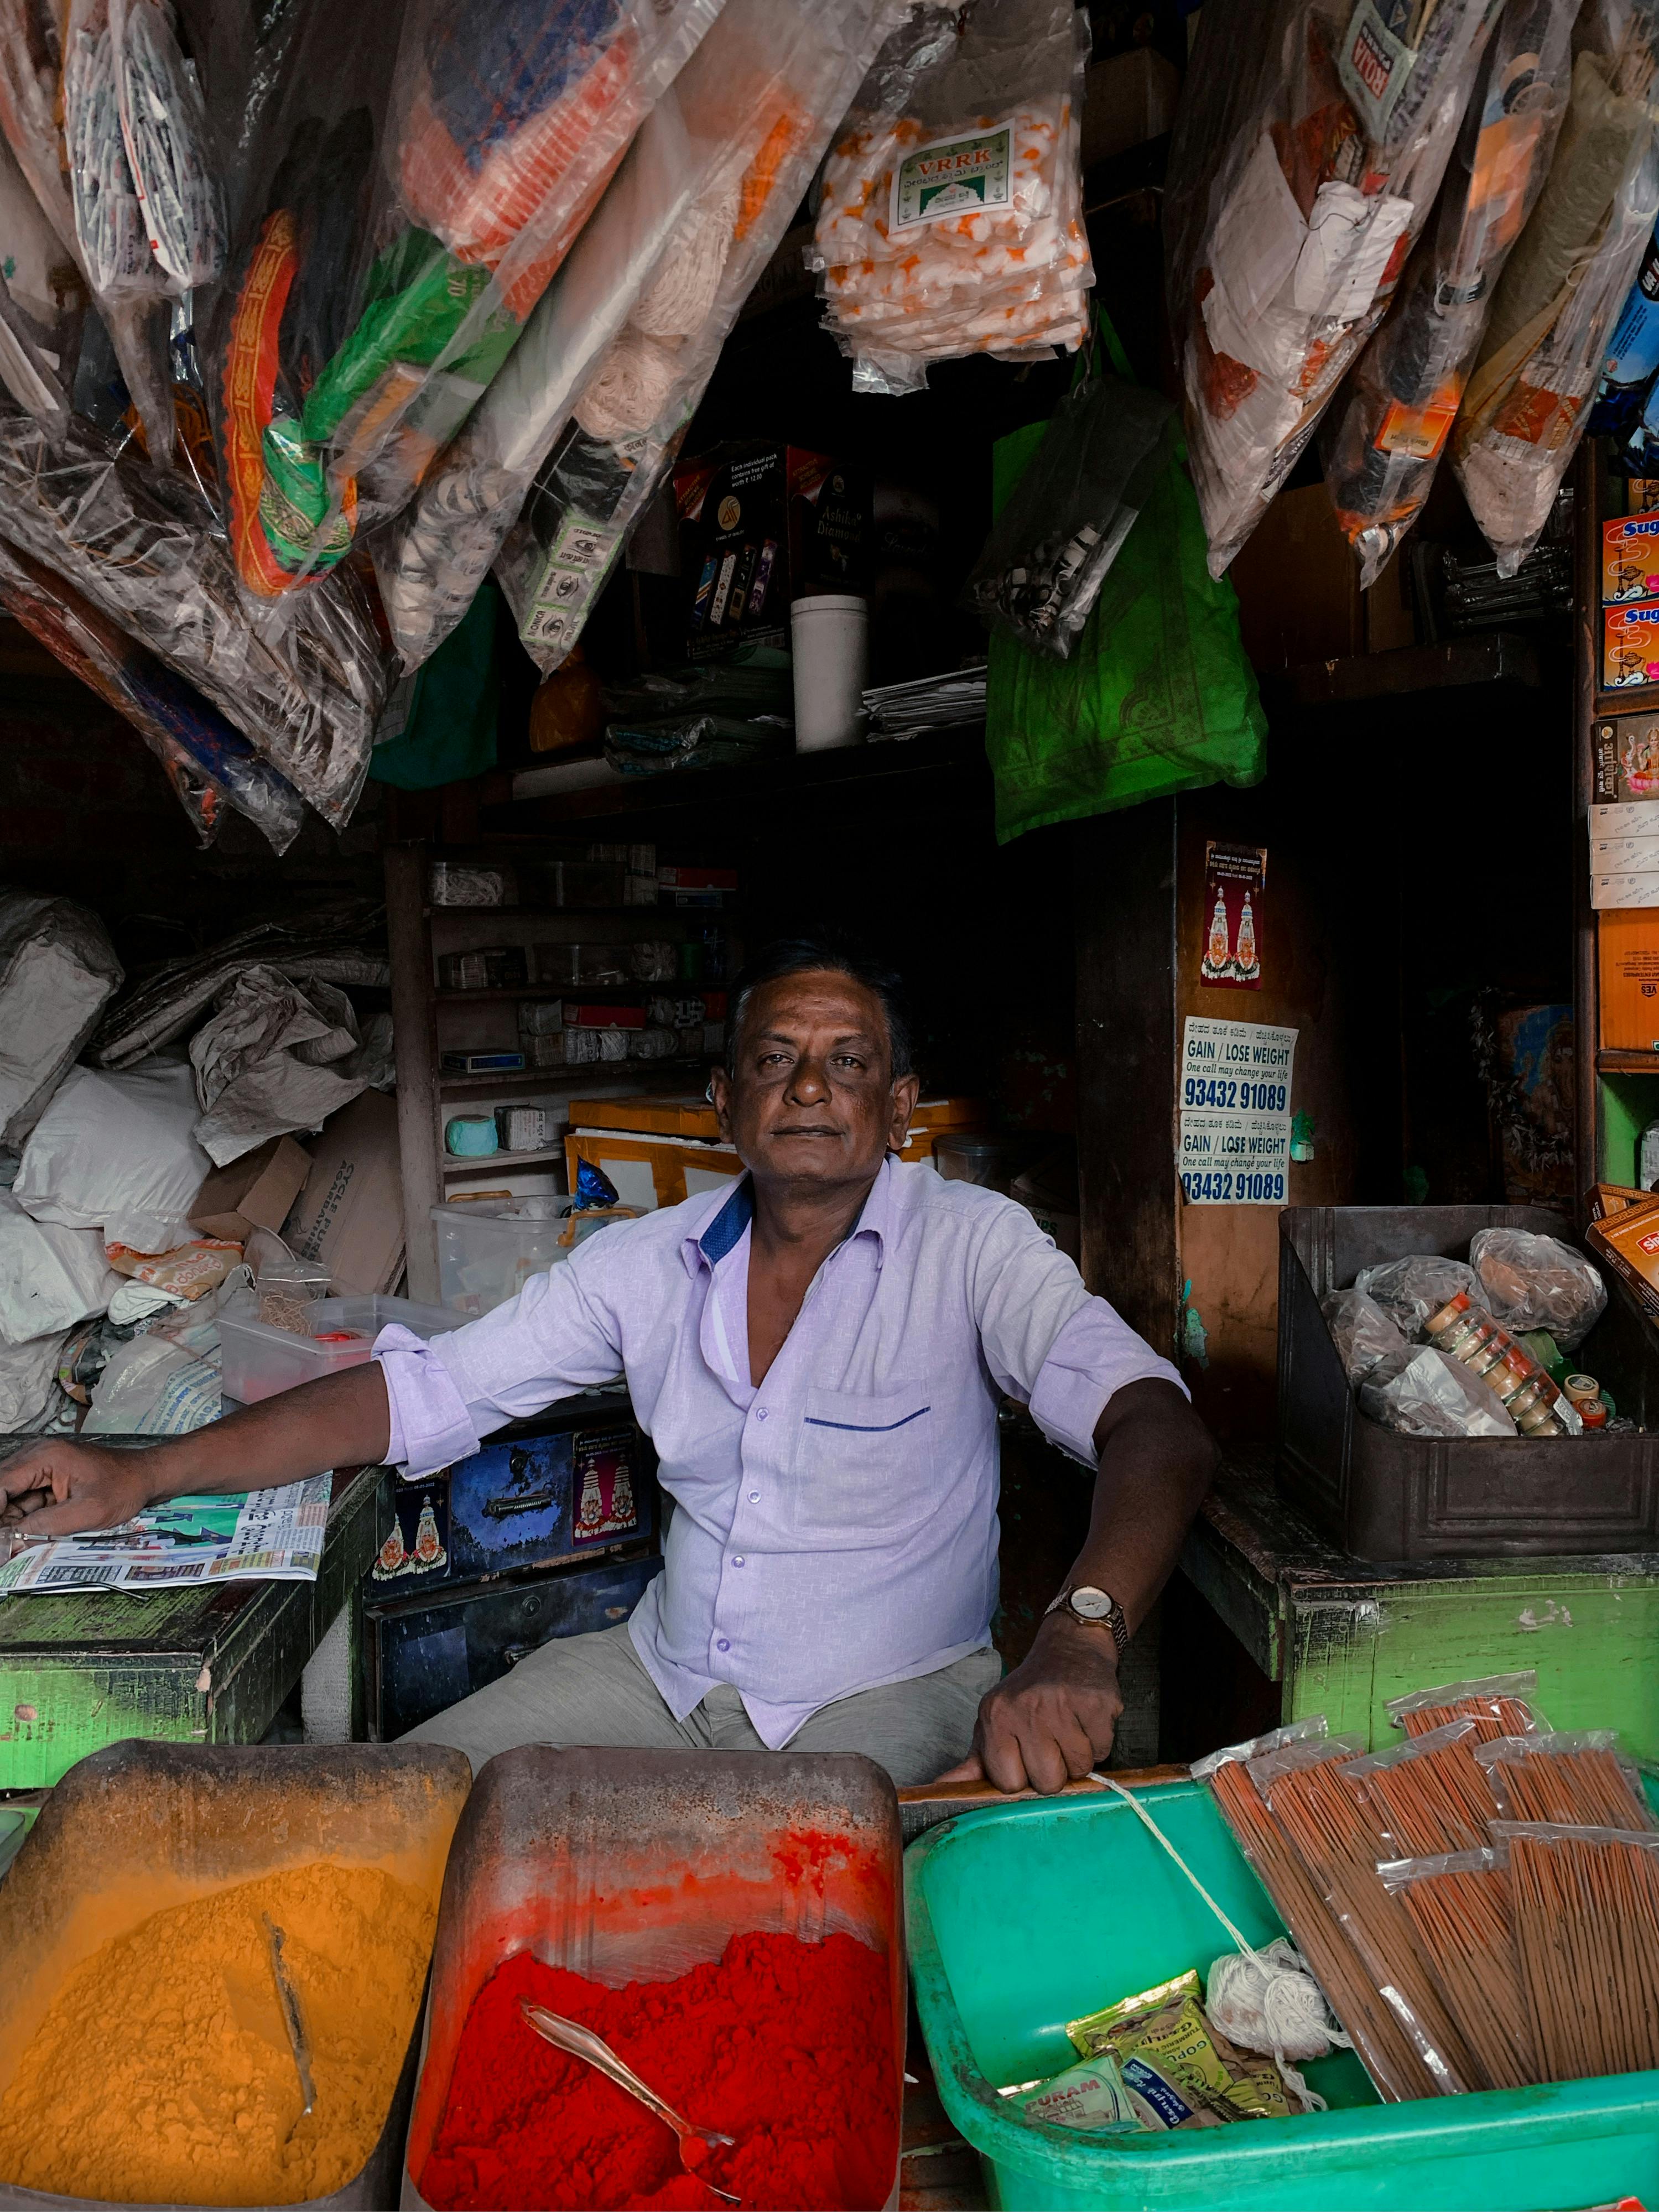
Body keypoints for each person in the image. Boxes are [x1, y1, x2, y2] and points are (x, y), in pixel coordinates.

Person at [0, 935, 1215, 1792]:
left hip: (888, 1696)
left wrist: (1081, 1630)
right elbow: (421, 1390)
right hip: (658, 1681)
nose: (808, 1085)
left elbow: (1154, 1427)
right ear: (724, 1099)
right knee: (388, 1811)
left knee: (798, 1946)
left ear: (898, 1105)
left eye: (848, 1061)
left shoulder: (973, 1243)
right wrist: (141, 1472)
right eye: (775, 1058)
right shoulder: (647, 1261)